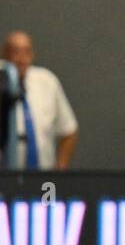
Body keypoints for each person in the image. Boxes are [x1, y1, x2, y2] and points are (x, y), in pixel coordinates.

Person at [1, 31, 79, 170]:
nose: (21, 59)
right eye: (15, 52)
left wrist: (60, 170)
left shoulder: (47, 81)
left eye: (26, 52)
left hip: (43, 182)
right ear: (4, 56)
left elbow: (69, 130)